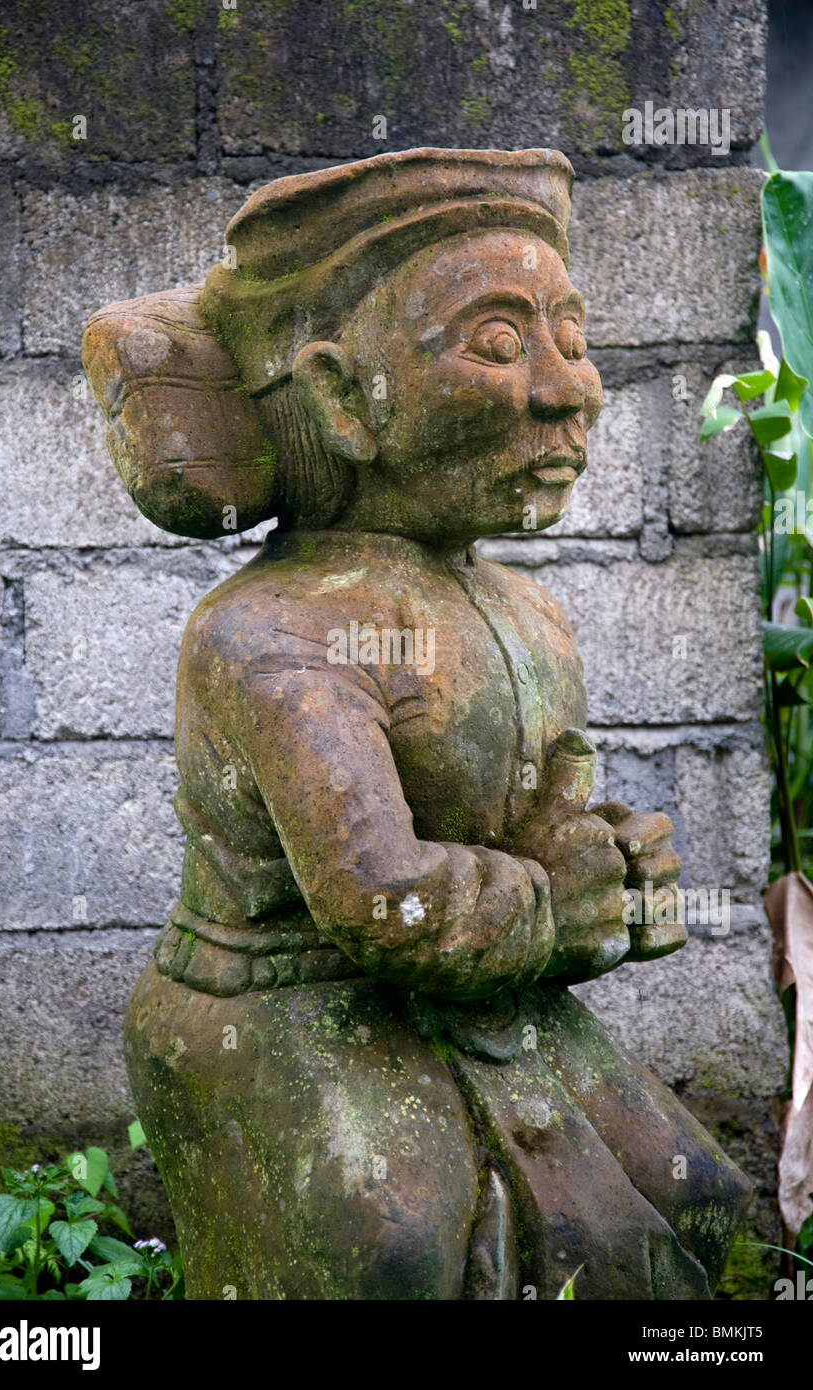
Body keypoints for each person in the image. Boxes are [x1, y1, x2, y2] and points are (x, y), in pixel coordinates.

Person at [84, 147, 750, 1300]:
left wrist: (611, 863)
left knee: (695, 1189)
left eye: (572, 338)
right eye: (498, 342)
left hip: (488, 986)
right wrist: (556, 909)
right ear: (344, 397)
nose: (568, 388)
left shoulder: (524, 610)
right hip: (289, 1002)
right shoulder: (270, 631)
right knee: (400, 1250)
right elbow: (378, 899)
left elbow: (545, 814)